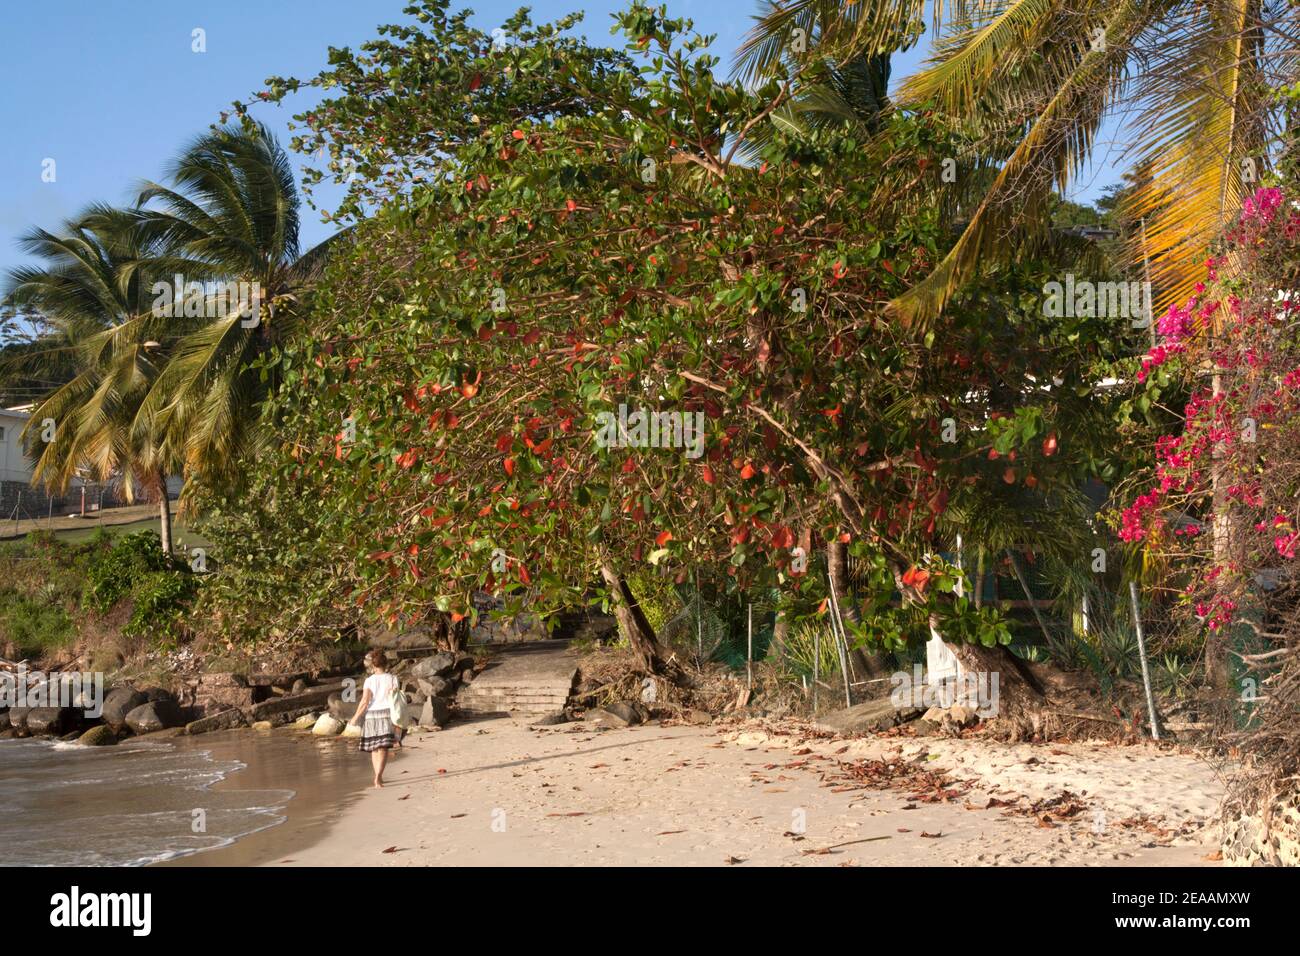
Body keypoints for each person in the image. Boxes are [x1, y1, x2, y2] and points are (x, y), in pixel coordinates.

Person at [349, 649, 399, 787]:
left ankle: (377, 776)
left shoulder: (369, 681)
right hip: (387, 714)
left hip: (371, 715)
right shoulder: (393, 678)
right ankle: (378, 776)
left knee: (374, 748)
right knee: (383, 747)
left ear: (373, 665)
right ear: (386, 664)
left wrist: (355, 718)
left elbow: (365, 701)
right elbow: (394, 698)